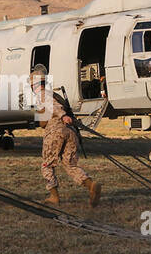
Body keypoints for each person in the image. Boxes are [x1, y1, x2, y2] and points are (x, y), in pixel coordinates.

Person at [29, 64, 102, 207]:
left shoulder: (42, 94)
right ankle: (91, 185)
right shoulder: (55, 94)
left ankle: (54, 196)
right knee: (70, 164)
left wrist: (62, 116)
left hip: (55, 130)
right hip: (70, 131)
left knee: (47, 165)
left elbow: (53, 107)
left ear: (35, 84)